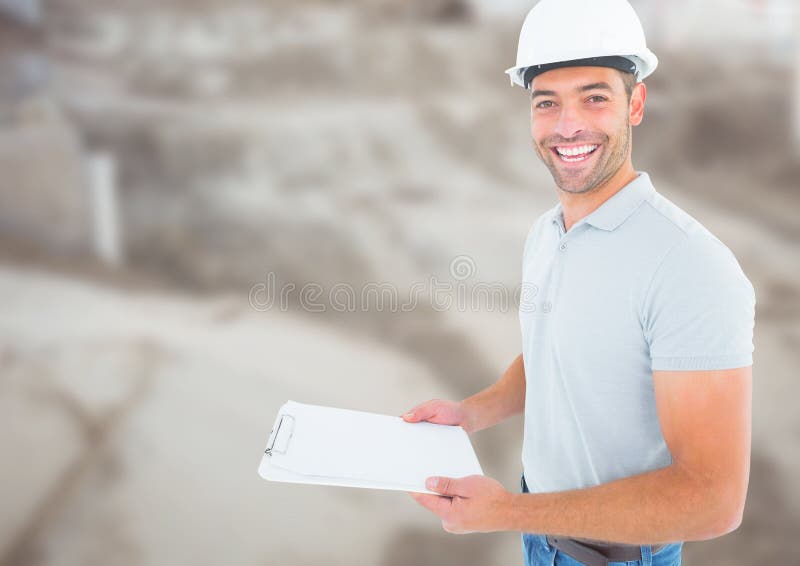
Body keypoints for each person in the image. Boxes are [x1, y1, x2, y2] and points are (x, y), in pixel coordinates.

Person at [402, 1, 756, 565]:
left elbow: (713, 499)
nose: (568, 126)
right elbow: (554, 353)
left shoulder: (690, 265)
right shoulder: (547, 234)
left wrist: (504, 513)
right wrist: (470, 413)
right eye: (548, 103)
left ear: (635, 104)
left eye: (594, 97)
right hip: (540, 536)